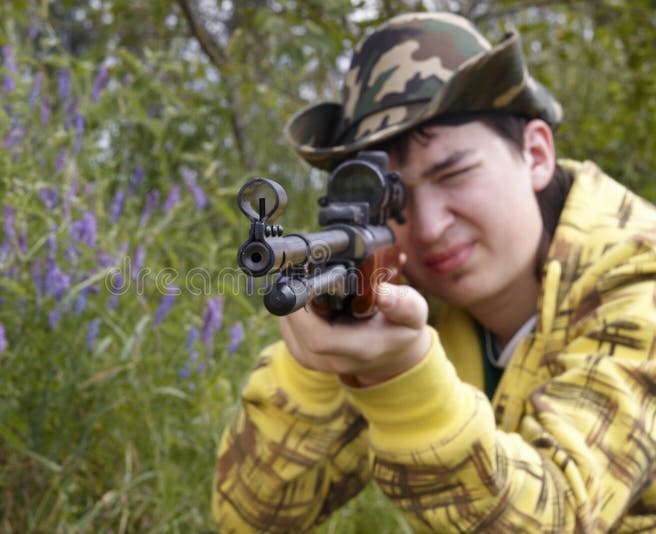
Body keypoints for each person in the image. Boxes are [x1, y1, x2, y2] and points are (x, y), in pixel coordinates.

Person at [212, 10, 656, 533]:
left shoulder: (640, 277)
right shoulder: (410, 297)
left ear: (535, 153)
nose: (428, 228)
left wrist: (403, 380)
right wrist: (319, 364)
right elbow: (251, 518)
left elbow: (562, 514)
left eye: (454, 174)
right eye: (394, 200)